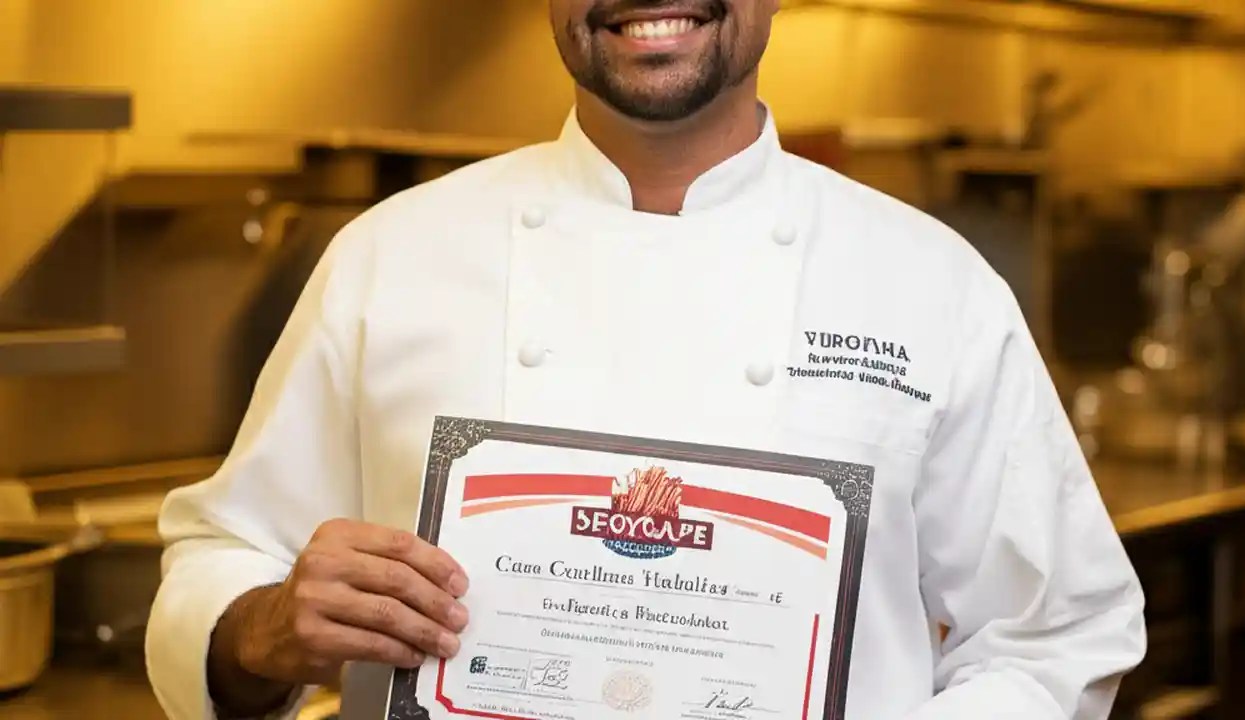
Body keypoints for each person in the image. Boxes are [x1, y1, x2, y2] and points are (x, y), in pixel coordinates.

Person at [145, 1, 1148, 718]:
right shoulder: (389, 255)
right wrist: (263, 629)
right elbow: (222, 556)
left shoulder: (931, 283)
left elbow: (1055, 630)